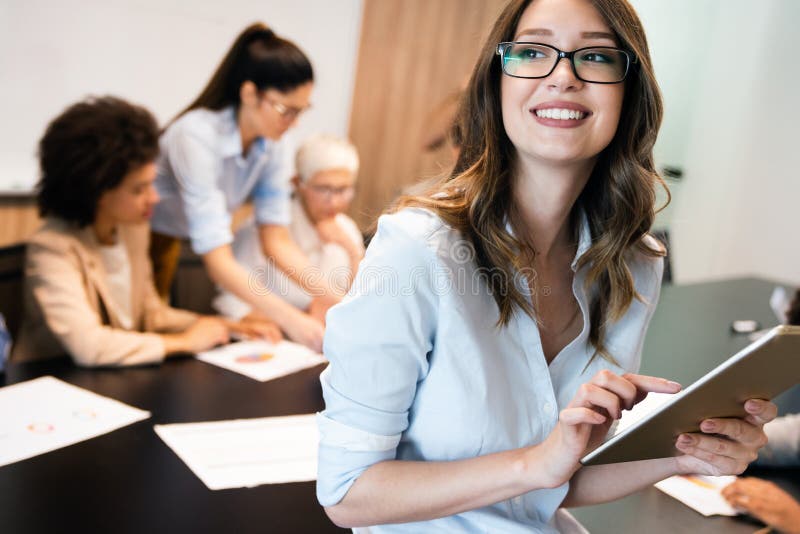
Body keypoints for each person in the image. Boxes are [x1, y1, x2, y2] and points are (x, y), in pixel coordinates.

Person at [315, 0, 777, 531]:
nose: (562, 77)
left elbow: (550, 485)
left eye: (596, 57)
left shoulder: (633, 261)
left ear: (630, 93)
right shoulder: (417, 250)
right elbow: (347, 492)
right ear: (498, 82)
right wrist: (536, 463)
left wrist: (689, 454)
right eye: (533, 51)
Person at [10, 96, 270, 367]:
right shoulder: (52, 248)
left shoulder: (132, 231)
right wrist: (185, 342)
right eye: (138, 189)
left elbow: (150, 314)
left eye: (151, 184)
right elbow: (89, 346)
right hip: (54, 384)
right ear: (97, 192)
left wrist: (221, 325)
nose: (154, 198)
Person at [150, 22, 332, 352]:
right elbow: (218, 260)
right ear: (249, 93)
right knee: (144, 329)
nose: (293, 122)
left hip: (186, 240)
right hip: (147, 236)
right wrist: (291, 319)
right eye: (285, 110)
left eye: (301, 111)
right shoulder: (196, 135)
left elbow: (276, 239)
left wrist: (336, 299)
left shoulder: (275, 141)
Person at [213, 134, 364, 322]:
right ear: (297, 184)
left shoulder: (347, 228)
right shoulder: (263, 228)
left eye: (343, 190)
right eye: (323, 189)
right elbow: (230, 303)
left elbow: (360, 304)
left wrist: (352, 251)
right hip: (277, 340)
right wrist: (296, 322)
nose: (334, 201)